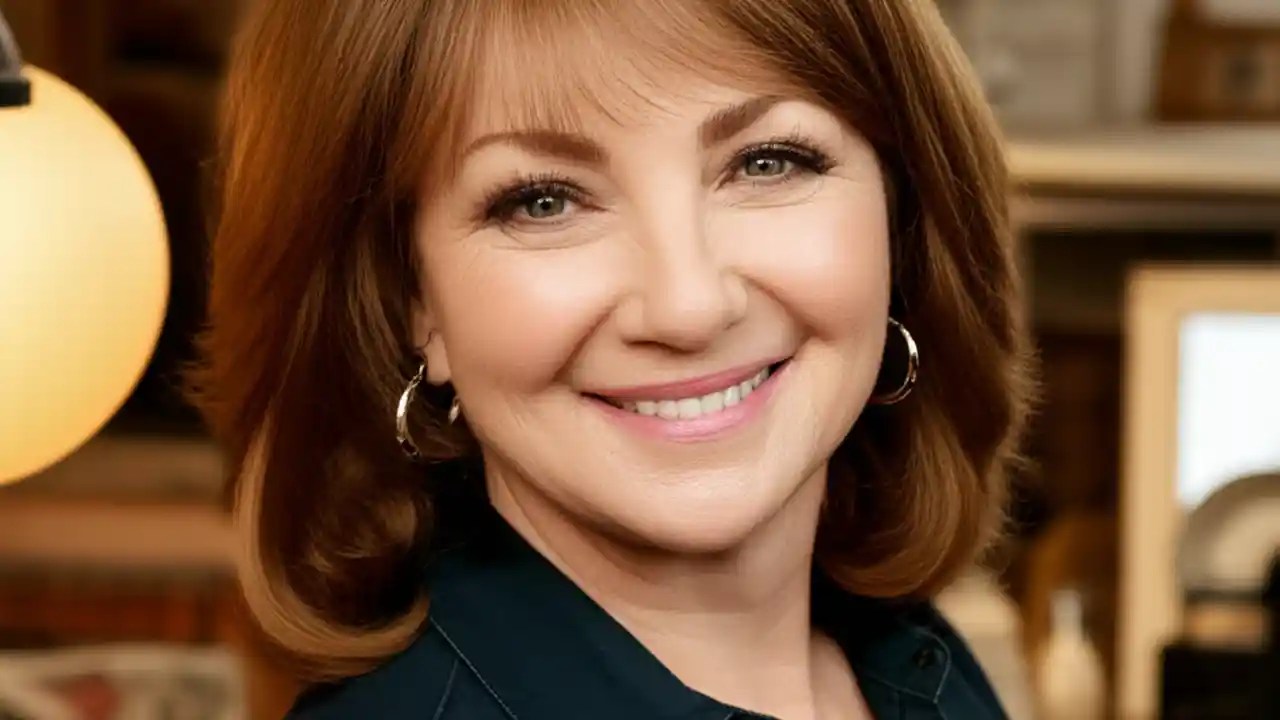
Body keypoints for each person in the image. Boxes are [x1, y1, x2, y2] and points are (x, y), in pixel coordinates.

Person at [194, 0, 1032, 717]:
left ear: (900, 215)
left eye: (766, 162)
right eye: (543, 201)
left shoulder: (914, 667)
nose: (687, 306)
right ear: (410, 297)